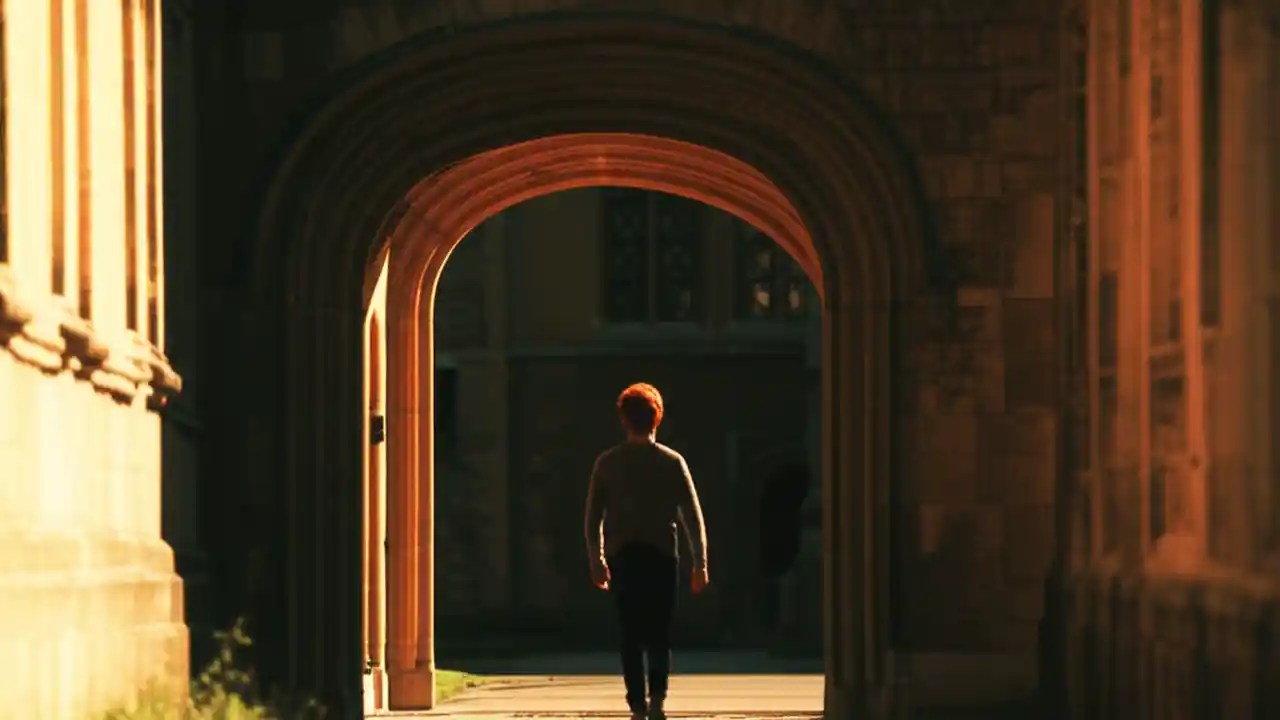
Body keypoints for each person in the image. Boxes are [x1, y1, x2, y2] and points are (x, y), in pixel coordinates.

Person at [584, 382, 709, 720]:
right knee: (658, 632)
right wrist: (700, 562)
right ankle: (657, 700)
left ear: (624, 419)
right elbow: (692, 515)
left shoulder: (608, 463)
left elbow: (593, 517)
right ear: (657, 419)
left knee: (629, 633)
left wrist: (596, 559)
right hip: (662, 557)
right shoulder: (671, 462)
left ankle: (636, 705)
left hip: (624, 556)